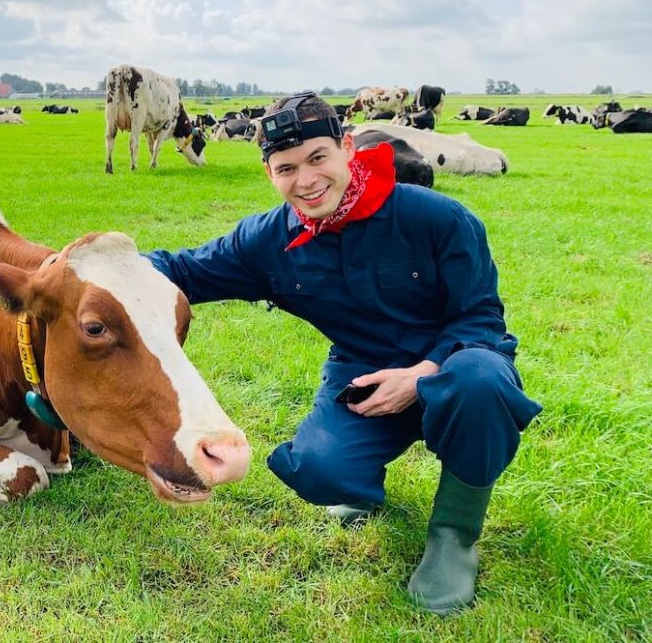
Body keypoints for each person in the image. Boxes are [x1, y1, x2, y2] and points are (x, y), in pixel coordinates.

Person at [145, 92, 542, 615]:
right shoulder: (266, 240)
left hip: (456, 364)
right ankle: (356, 477)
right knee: (316, 469)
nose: (306, 180)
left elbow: (481, 321)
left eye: (317, 158)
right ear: (269, 173)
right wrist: (83, 268)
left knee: (480, 381)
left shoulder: (438, 218)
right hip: (363, 377)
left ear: (347, 148)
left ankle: (453, 538)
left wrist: (421, 376)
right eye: (286, 167)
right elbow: (183, 269)